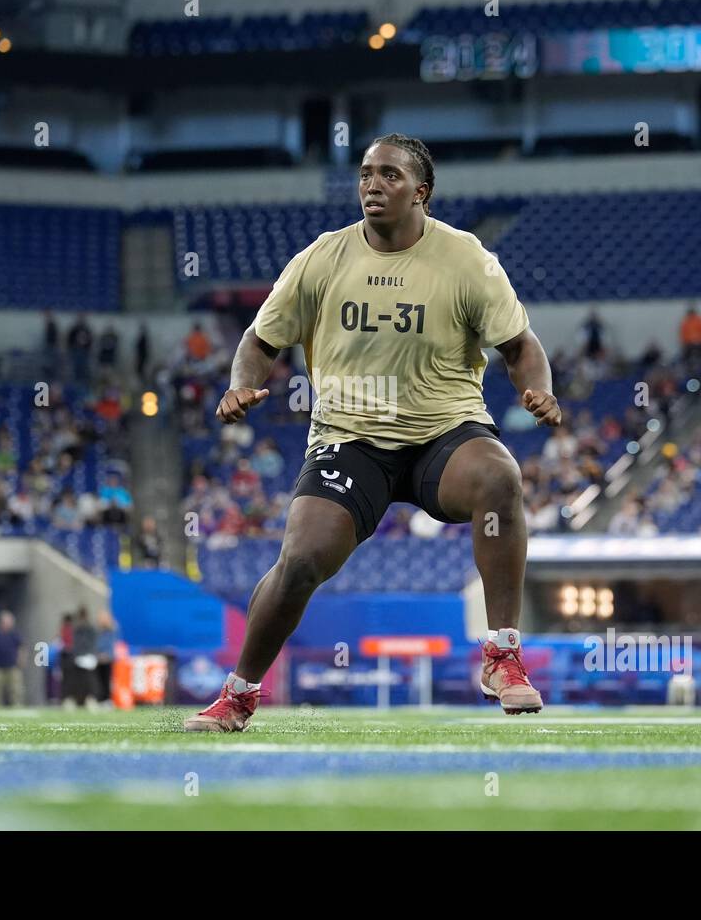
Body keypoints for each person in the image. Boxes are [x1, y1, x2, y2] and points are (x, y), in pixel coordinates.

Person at [183, 133, 559, 732]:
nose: (372, 186)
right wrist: (240, 384)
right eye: (365, 175)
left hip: (444, 433)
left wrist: (537, 388)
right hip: (350, 439)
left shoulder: (466, 259)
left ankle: (502, 655)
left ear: (422, 192)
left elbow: (520, 345)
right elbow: (260, 340)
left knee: (499, 475)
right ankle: (239, 691)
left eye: (388, 175)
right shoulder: (322, 259)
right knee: (301, 561)